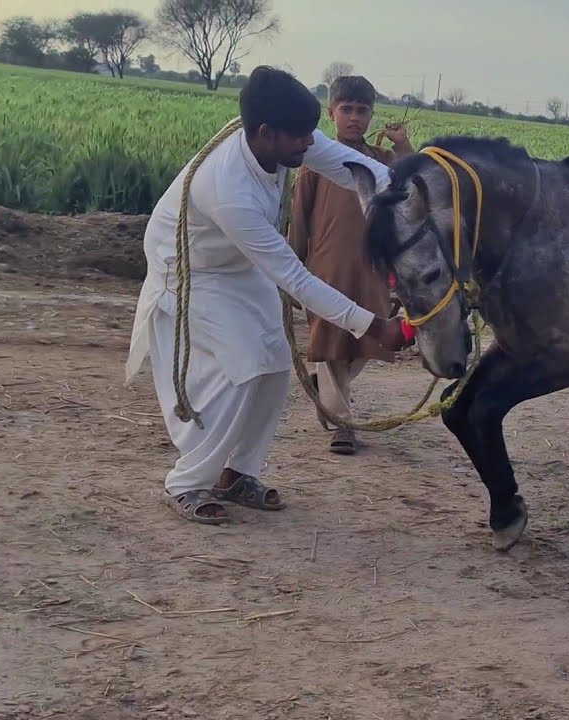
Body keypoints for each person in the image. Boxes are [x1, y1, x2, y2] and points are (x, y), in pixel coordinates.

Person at [124, 66, 410, 525]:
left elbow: (354, 166)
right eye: (300, 138)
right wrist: (374, 324)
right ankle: (187, 482)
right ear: (265, 133)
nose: (309, 145)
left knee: (275, 363)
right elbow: (295, 278)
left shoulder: (286, 139)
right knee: (244, 366)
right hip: (191, 271)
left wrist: (413, 189)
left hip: (238, 263)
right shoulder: (228, 188)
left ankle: (237, 474)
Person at [288, 75, 413, 456]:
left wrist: (404, 144)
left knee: (363, 342)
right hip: (326, 266)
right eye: (347, 110)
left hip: (372, 268)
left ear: (372, 114)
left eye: (362, 110)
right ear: (331, 113)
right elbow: (299, 219)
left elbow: (414, 182)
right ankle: (343, 424)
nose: (355, 118)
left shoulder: (382, 161)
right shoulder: (312, 163)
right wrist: (291, 273)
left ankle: (324, 387)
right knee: (329, 339)